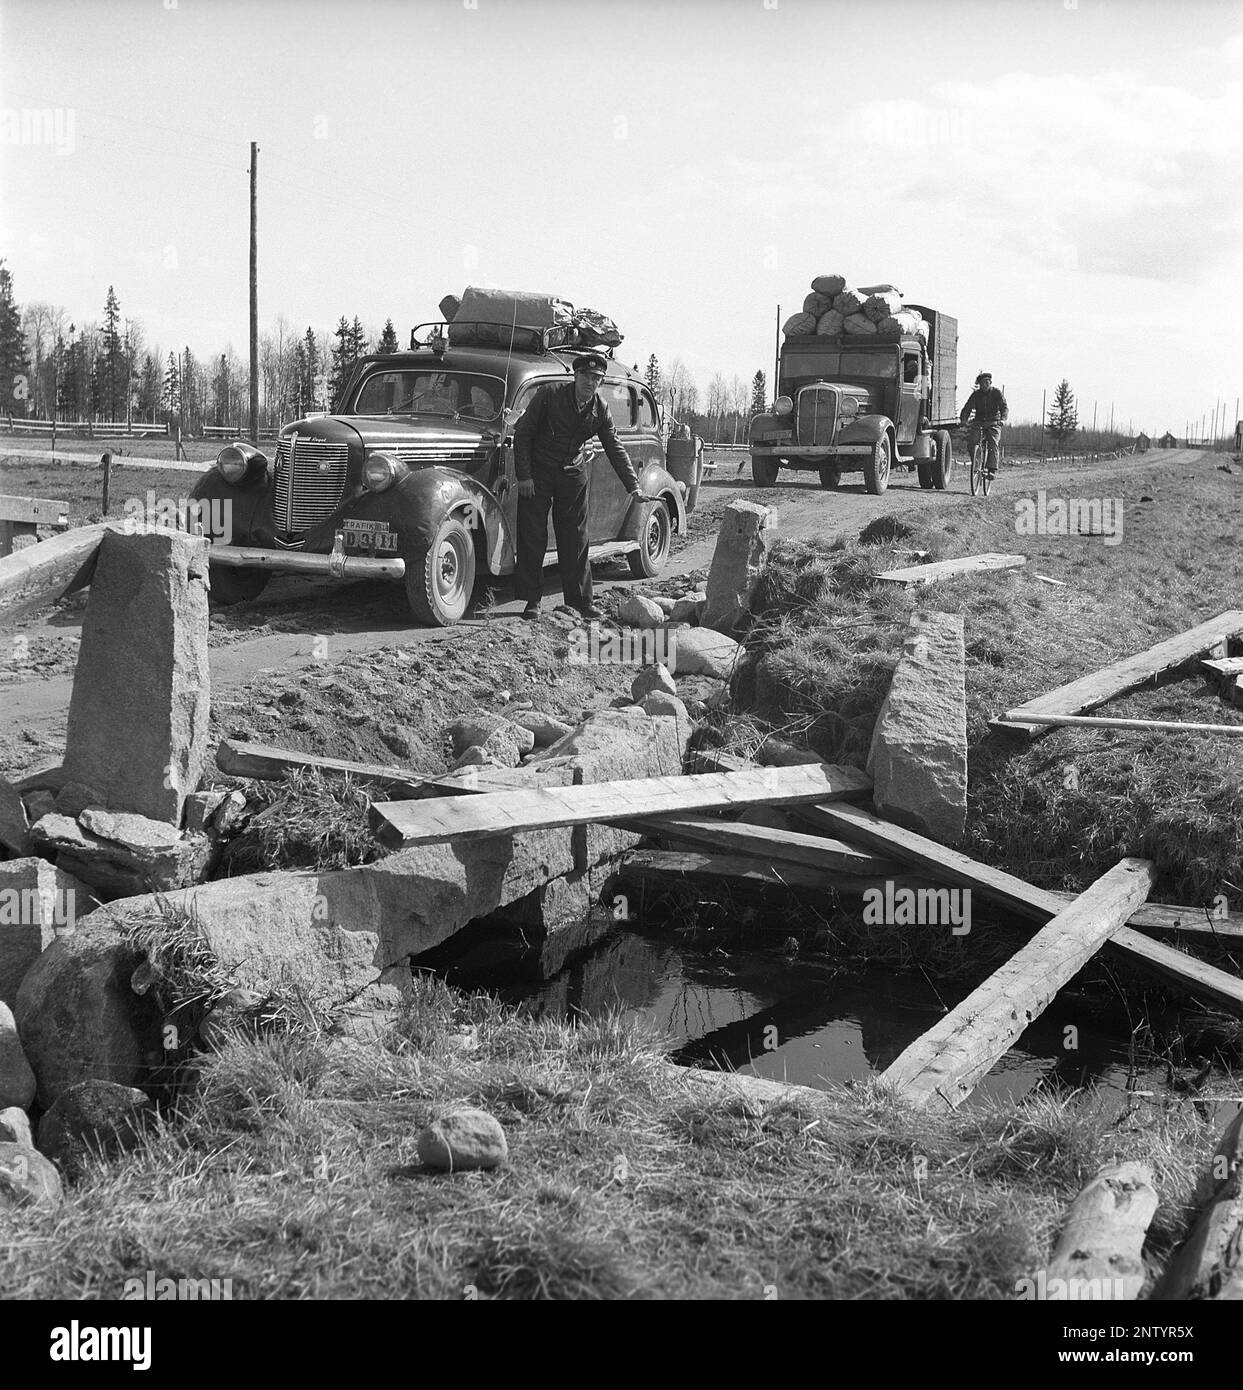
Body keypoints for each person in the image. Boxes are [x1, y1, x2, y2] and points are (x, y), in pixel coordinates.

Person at [513, 353, 649, 621]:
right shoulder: (549, 394)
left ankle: (580, 602)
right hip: (539, 471)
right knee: (532, 535)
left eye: (597, 378)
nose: (591, 383)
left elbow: (614, 447)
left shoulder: (600, 408)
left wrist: (633, 486)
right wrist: (525, 476)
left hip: (572, 472)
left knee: (576, 538)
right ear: (575, 376)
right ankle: (533, 600)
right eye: (587, 376)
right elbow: (523, 433)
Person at [959, 371, 1009, 475]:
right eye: (982, 383)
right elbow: (967, 408)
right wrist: (963, 420)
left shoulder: (996, 393)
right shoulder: (976, 395)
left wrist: (1003, 419)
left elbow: (1004, 407)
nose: (984, 385)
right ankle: (976, 465)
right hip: (979, 422)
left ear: (990, 382)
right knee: (972, 443)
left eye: (987, 382)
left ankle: (992, 470)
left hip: (994, 422)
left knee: (993, 443)